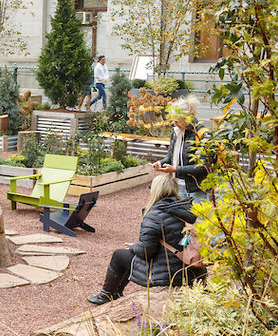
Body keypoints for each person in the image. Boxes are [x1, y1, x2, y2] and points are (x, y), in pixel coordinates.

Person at [86, 173, 204, 305]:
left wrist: (134, 247)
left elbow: (146, 252)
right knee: (128, 254)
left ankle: (106, 295)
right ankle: (116, 293)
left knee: (119, 255)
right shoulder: (183, 209)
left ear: (156, 190)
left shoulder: (155, 214)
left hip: (168, 271)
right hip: (188, 265)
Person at [152, 95, 210, 203]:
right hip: (177, 186)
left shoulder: (203, 135)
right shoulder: (176, 132)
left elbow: (203, 167)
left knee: (200, 218)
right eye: (174, 121)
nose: (175, 124)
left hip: (197, 188)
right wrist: (161, 163)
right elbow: (171, 157)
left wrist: (176, 170)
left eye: (178, 121)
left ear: (187, 118)